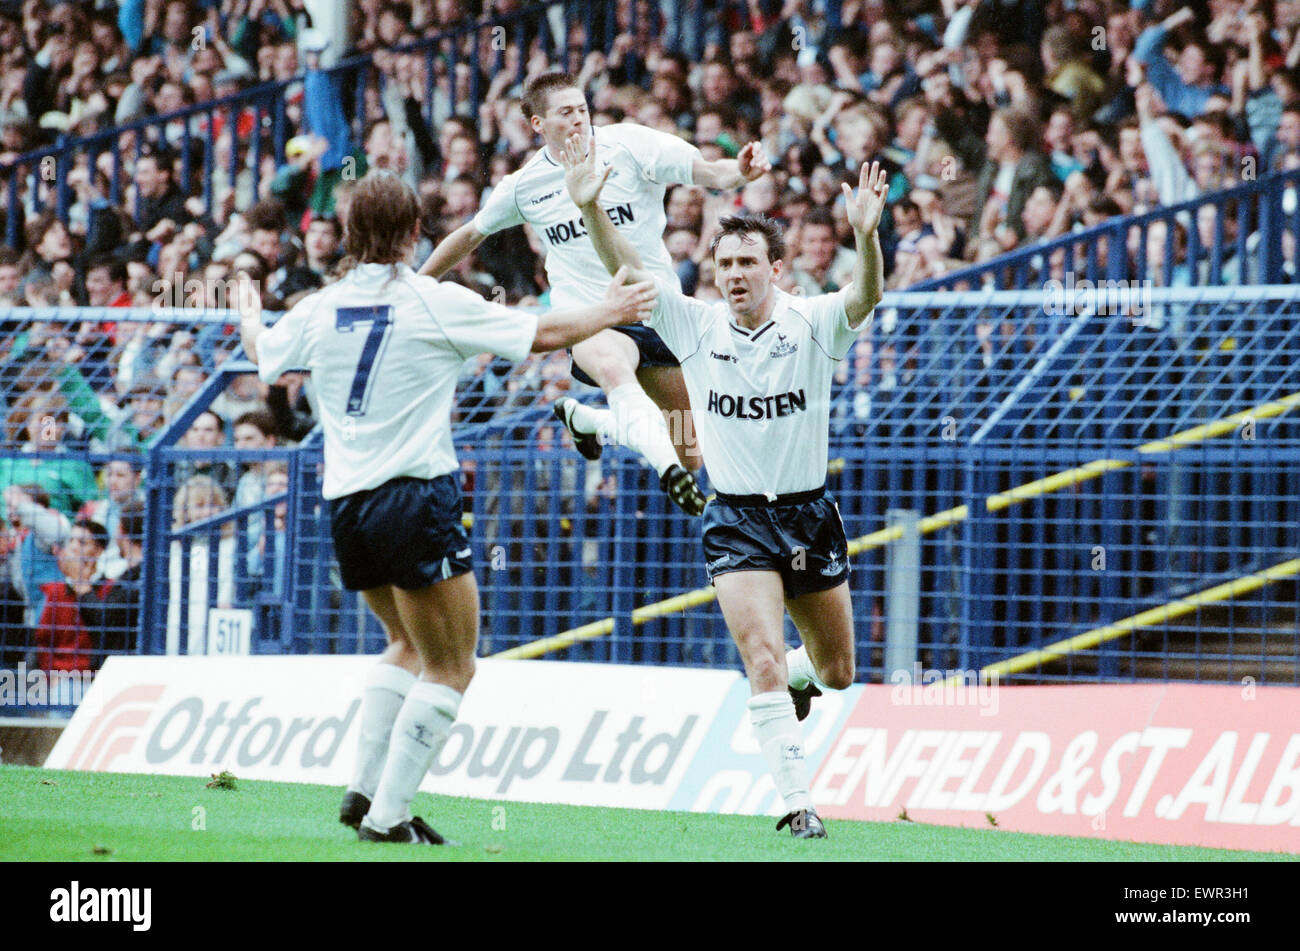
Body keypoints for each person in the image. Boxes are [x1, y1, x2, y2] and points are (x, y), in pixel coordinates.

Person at [237, 170, 656, 846]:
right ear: (411, 235)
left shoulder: (321, 307)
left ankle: (363, 787)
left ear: (347, 235)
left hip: (346, 505)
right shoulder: (433, 300)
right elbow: (542, 332)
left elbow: (263, 356)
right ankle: (387, 815)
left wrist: (248, 310)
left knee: (403, 643)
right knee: (454, 663)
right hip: (414, 495)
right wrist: (611, 310)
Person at [562, 135, 889, 839]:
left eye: (747, 263)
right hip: (736, 520)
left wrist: (866, 236)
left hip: (808, 516)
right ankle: (798, 802)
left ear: (777, 268)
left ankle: (805, 685)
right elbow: (628, 268)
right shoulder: (694, 324)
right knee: (761, 656)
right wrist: (592, 211)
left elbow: (868, 293)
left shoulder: (814, 321)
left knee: (835, 671)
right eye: (725, 265)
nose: (735, 274)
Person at [418, 71, 771, 516]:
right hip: (592, 315)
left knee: (690, 450)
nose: (579, 119)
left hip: (656, 309)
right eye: (566, 113)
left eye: (582, 109)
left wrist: (739, 171)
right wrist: (417, 283)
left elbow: (710, 170)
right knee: (614, 371)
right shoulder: (525, 186)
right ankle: (666, 471)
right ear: (537, 125)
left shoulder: (632, 145)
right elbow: (469, 236)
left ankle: (593, 422)